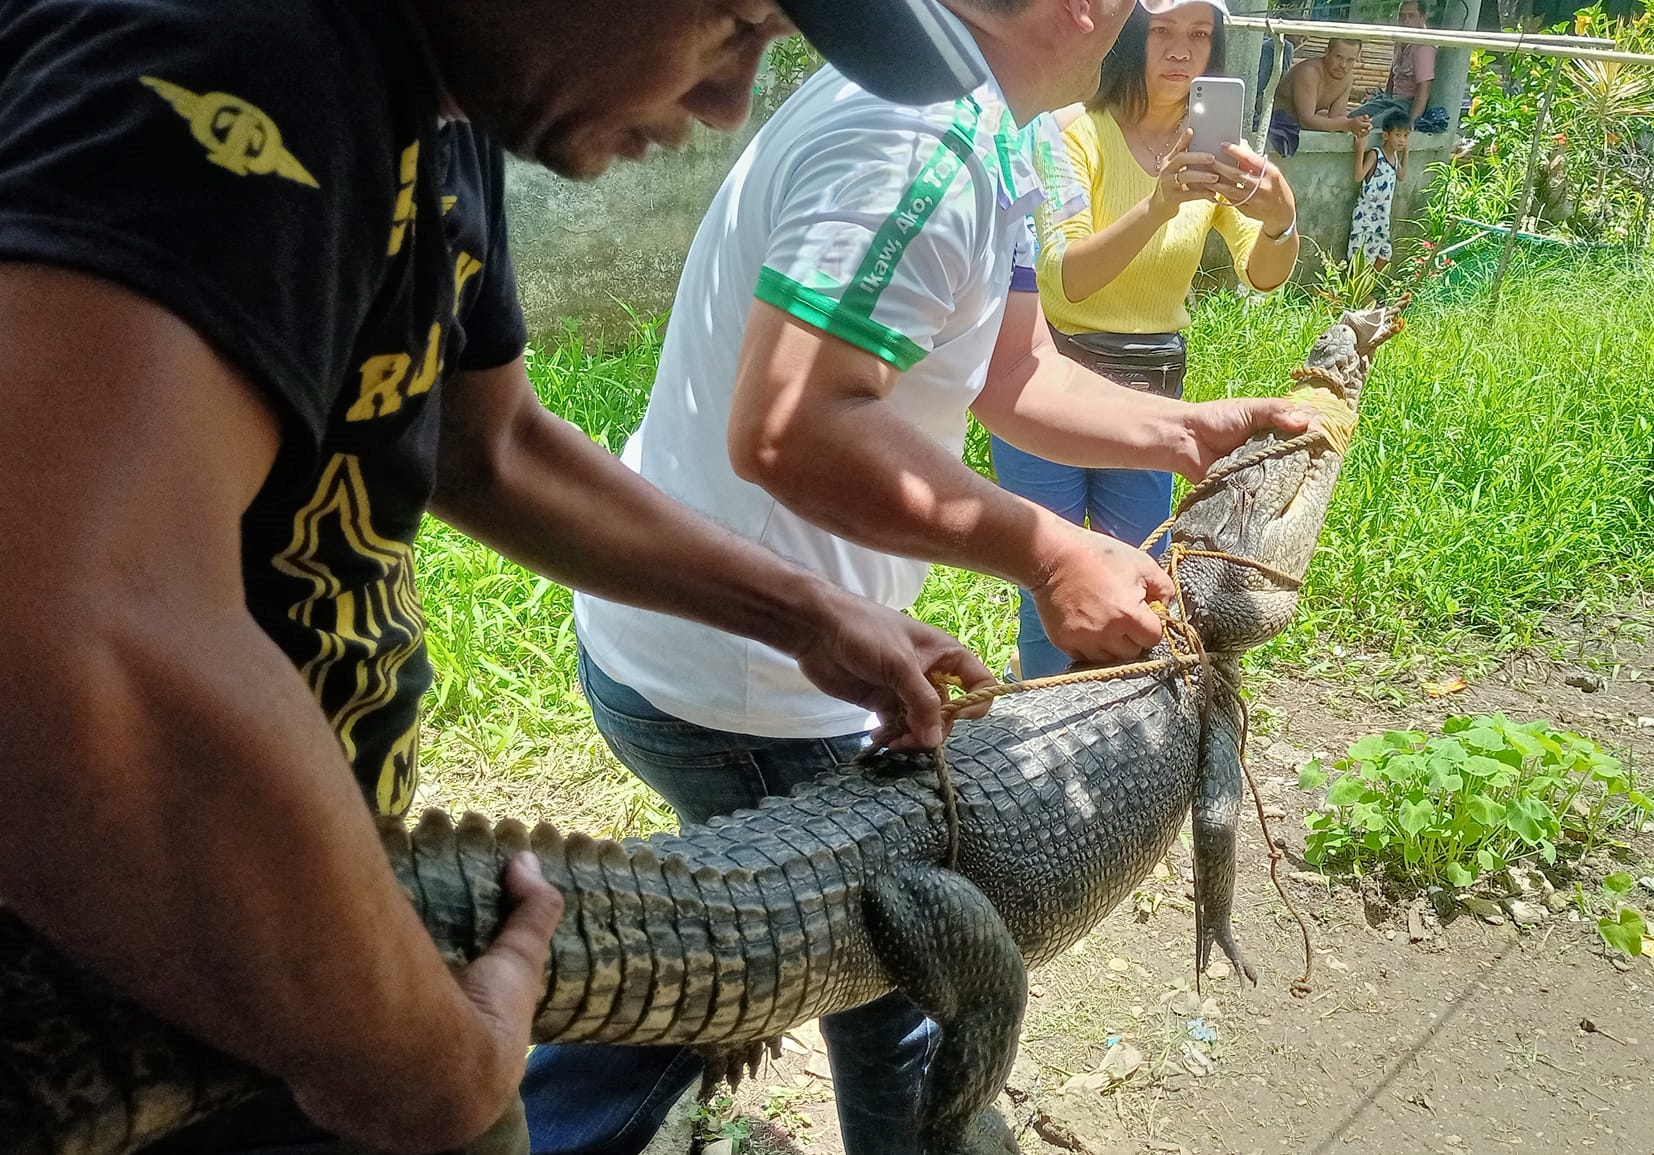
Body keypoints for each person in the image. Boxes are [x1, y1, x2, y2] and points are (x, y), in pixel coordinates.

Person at [0, 1, 997, 1153]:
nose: (729, 105)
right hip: (116, 950)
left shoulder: (435, 91)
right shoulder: (247, 49)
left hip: (268, 911)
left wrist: (811, 614)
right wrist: (432, 1076)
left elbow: (492, 446)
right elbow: (71, 636)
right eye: (733, 21)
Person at [559, 0, 1317, 1151]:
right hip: (752, 677)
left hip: (722, 646)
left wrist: (1187, 431)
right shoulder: (921, 136)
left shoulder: (985, 126)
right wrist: (1050, 551)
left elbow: (1013, 372)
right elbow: (791, 426)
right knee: (860, 1002)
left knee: (719, 962)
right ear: (1079, 11)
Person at [993, 0, 1302, 680]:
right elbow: (1065, 277)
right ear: (1128, 38)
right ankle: (1046, 723)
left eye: (1199, 35)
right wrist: (1158, 203)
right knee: (1050, 579)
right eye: (1161, 30)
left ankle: (1109, 723)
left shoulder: (1217, 157)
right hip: (1050, 381)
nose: (1180, 51)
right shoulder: (1071, 133)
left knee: (1140, 579)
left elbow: (1263, 273)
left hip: (1149, 390)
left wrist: (1281, 221)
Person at [1354, 0, 1437, 161]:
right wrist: (1384, 98)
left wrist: (1411, 122)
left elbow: (1424, 87)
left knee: (1370, 126)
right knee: (1352, 118)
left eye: (1411, 16)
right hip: (1391, 99)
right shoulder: (1401, 39)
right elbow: (1393, 75)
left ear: (1423, 17)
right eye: (1402, 17)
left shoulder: (1424, 48)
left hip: (1406, 104)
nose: (1405, 21)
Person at [1270, 37, 1372, 157]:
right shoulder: (1309, 72)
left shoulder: (1347, 78)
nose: (1343, 65)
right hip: (1277, 121)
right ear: (1327, 52)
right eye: (1338, 57)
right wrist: (1347, 124)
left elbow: (1336, 117)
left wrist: (1359, 125)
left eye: (1350, 60)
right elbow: (1306, 120)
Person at [1350, 107, 1411, 269]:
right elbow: (1358, 176)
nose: (1402, 140)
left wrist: (1406, 152)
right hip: (1366, 217)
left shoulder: (1395, 157)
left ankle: (1367, 288)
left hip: (1382, 219)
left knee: (1385, 254)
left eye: (1405, 136)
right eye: (1398, 135)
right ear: (1385, 136)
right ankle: (1359, 292)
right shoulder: (1376, 155)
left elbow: (1402, 175)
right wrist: (1360, 150)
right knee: (1361, 258)